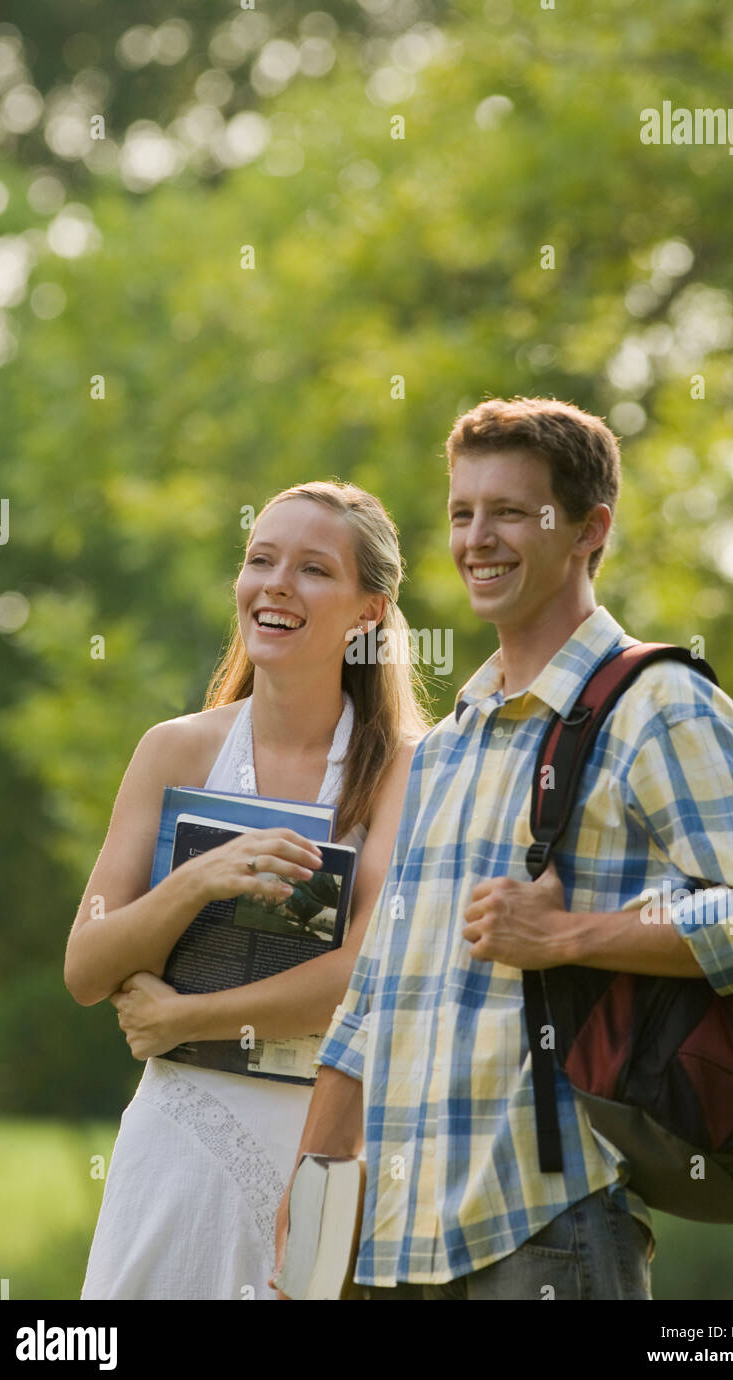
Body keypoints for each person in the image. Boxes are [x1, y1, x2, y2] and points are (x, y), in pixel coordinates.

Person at [273, 396, 733, 1301]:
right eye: (462, 513)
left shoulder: (658, 706)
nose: (477, 538)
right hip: (390, 1245)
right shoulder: (448, 744)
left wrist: (568, 936)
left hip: (545, 1229)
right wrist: (314, 1185)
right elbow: (379, 986)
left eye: (510, 512)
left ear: (586, 528)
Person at [66, 480, 429, 1299]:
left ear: (368, 611)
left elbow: (367, 979)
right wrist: (198, 879)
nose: (275, 585)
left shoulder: (409, 768)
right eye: (260, 560)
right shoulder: (174, 752)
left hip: (322, 1148)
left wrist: (182, 1017)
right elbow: (88, 965)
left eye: (311, 569)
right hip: (173, 1146)